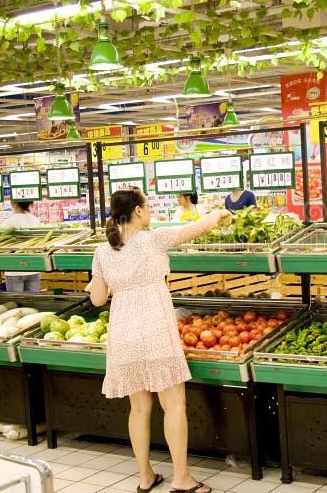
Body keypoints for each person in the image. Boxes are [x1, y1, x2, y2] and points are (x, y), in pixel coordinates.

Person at [89, 187, 230, 493]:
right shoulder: (153, 239)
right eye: (147, 205)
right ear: (137, 211)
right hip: (154, 329)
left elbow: (98, 299)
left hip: (123, 333)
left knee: (138, 409)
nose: (150, 210)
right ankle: (181, 478)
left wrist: (102, 274)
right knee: (174, 404)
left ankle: (145, 477)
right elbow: (196, 228)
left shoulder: (102, 252)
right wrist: (219, 213)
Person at [0, 200, 41, 292]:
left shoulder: (8, 222)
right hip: (34, 267)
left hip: (13, 269)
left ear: (13, 203)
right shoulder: (35, 220)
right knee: (32, 301)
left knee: (16, 303)